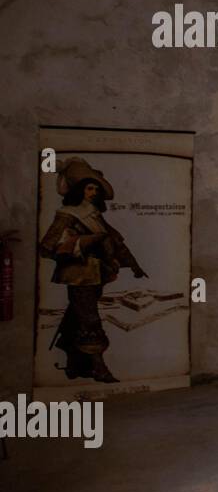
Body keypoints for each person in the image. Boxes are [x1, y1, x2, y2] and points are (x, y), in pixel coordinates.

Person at [39, 157, 148, 384]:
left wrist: (135, 266)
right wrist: (82, 243)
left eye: (96, 188)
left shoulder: (96, 215)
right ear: (80, 190)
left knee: (76, 319)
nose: (93, 192)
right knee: (90, 321)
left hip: (97, 276)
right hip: (78, 275)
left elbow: (116, 243)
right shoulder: (68, 214)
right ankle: (99, 368)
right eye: (89, 188)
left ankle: (75, 365)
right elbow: (48, 246)